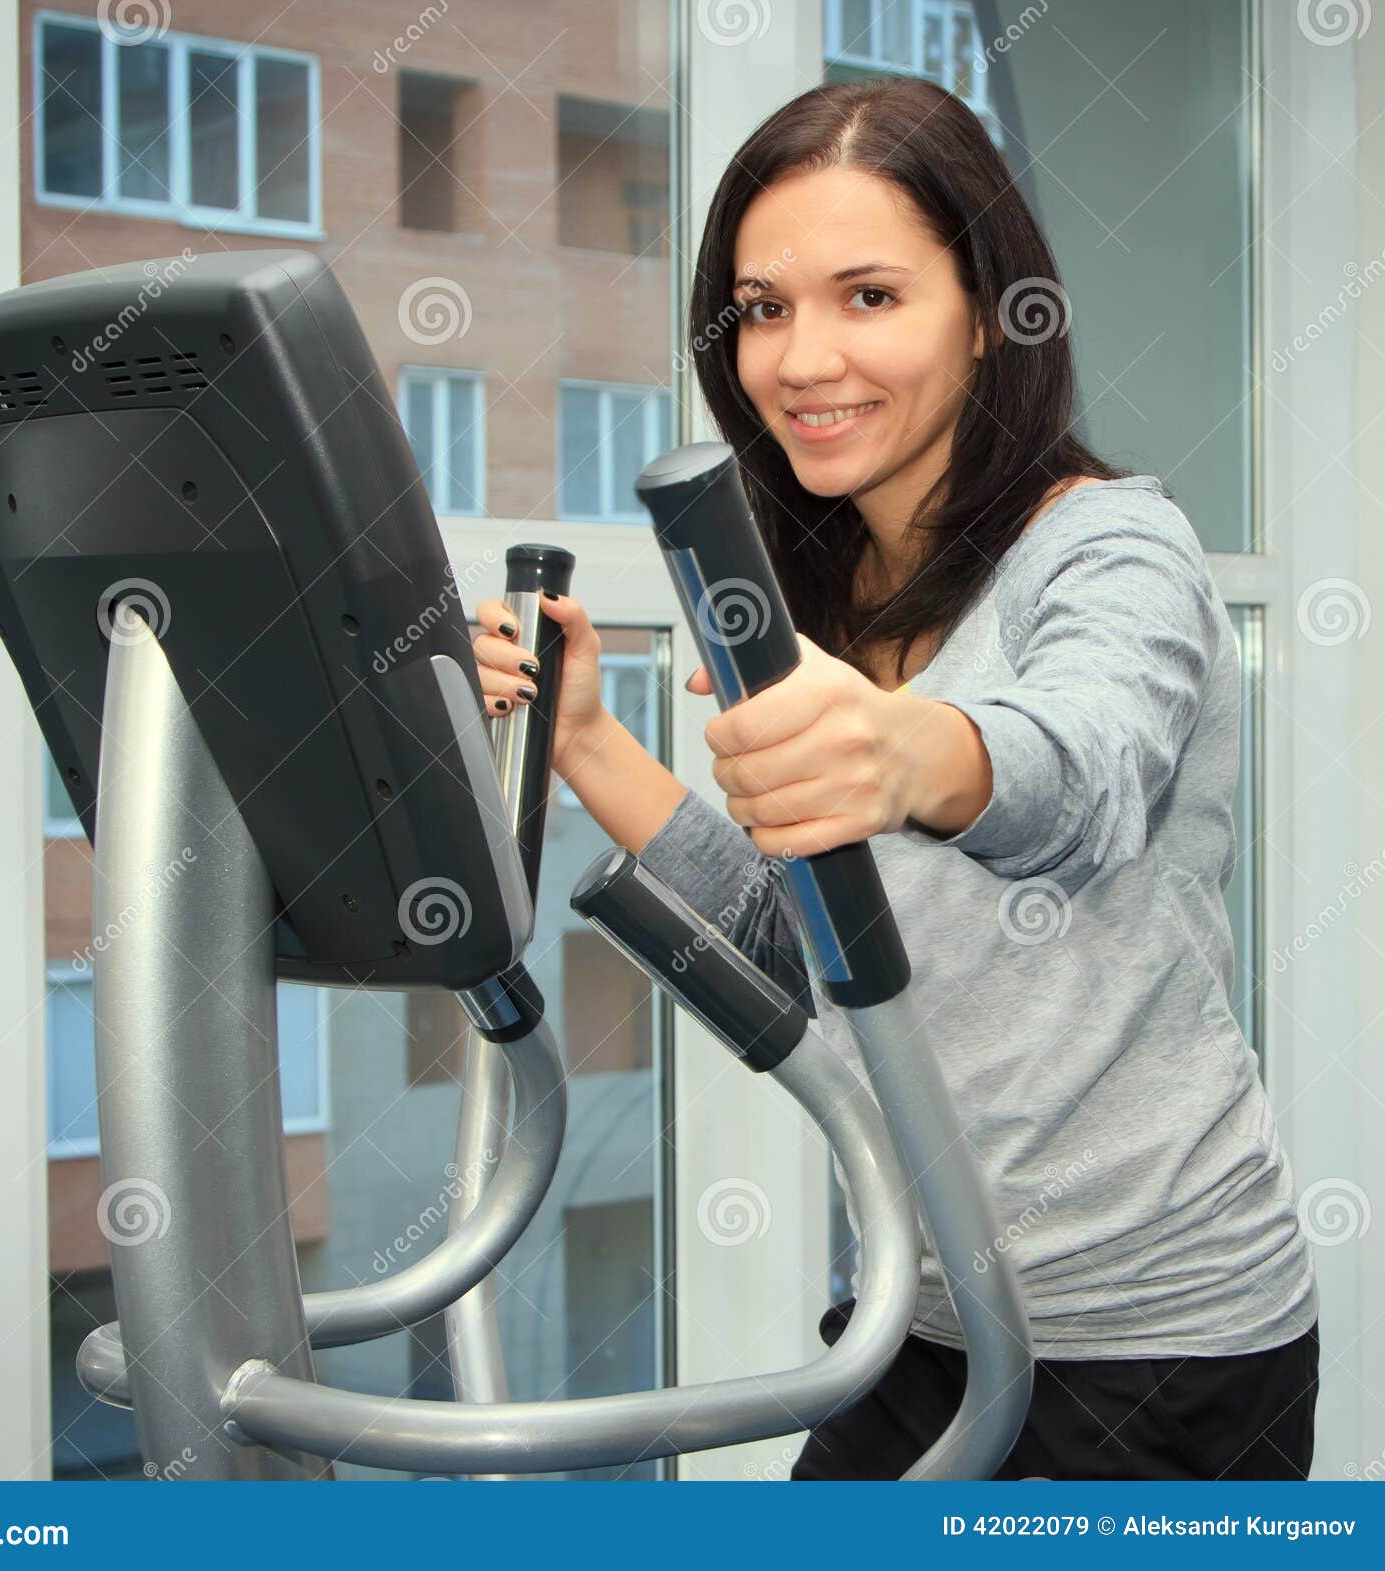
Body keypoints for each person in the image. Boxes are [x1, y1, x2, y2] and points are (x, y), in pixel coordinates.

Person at [470, 76, 1318, 1480]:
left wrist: (905, 746)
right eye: (763, 309)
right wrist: (584, 745)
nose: (804, 361)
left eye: (870, 297)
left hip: (1161, 1347)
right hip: (923, 1315)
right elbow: (822, 954)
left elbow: (1079, 775)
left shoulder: (1111, 549)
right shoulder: (834, 586)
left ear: (988, 312)